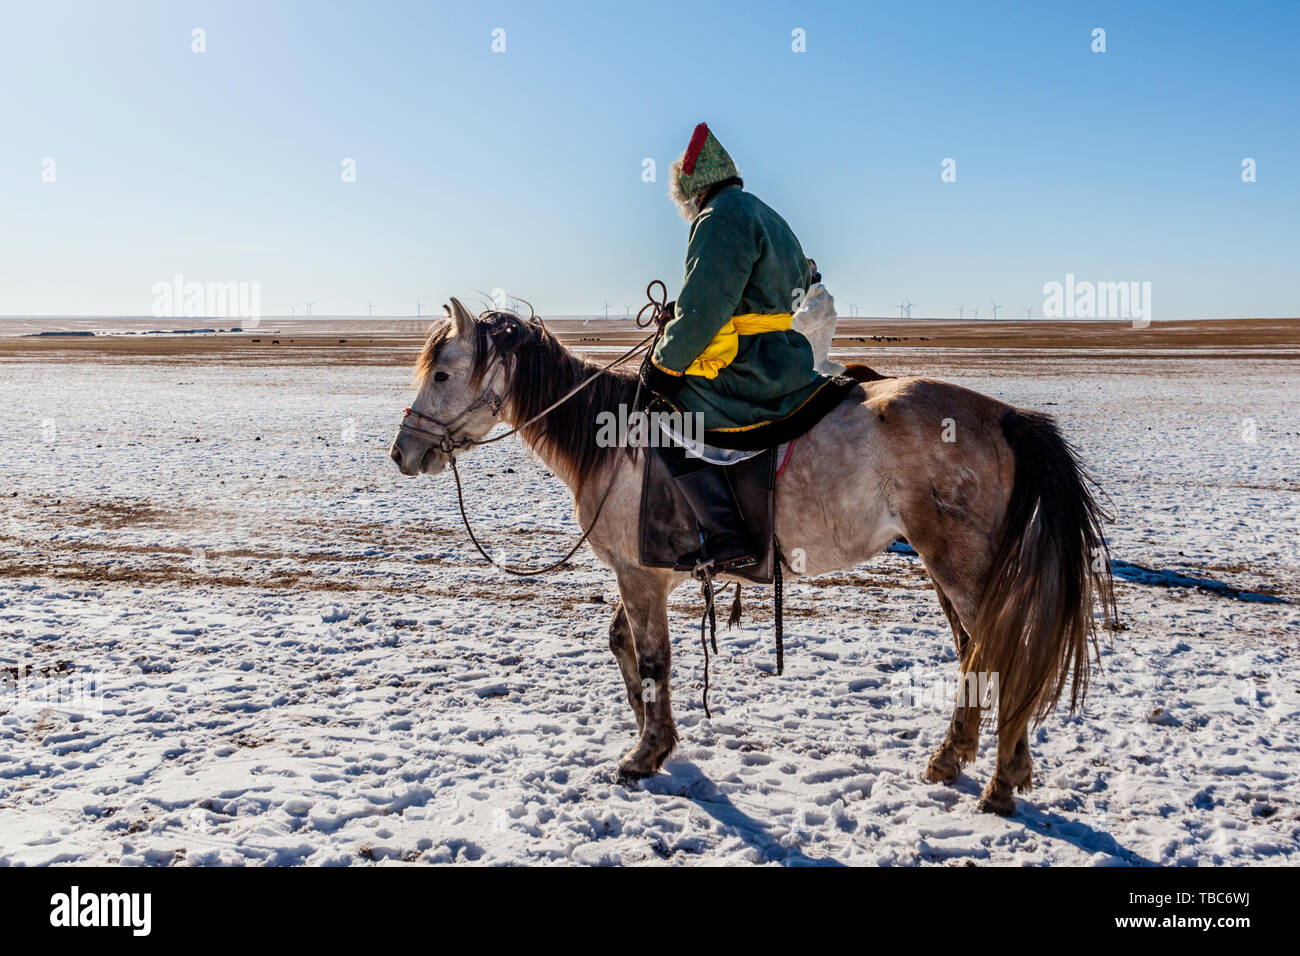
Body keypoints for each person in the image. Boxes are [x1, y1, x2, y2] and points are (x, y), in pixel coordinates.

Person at [640, 123, 853, 572]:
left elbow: (703, 312)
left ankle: (726, 535)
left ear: (691, 190)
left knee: (659, 416)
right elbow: (770, 290)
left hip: (747, 368)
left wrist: (663, 367)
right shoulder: (766, 214)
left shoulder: (718, 218)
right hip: (786, 358)